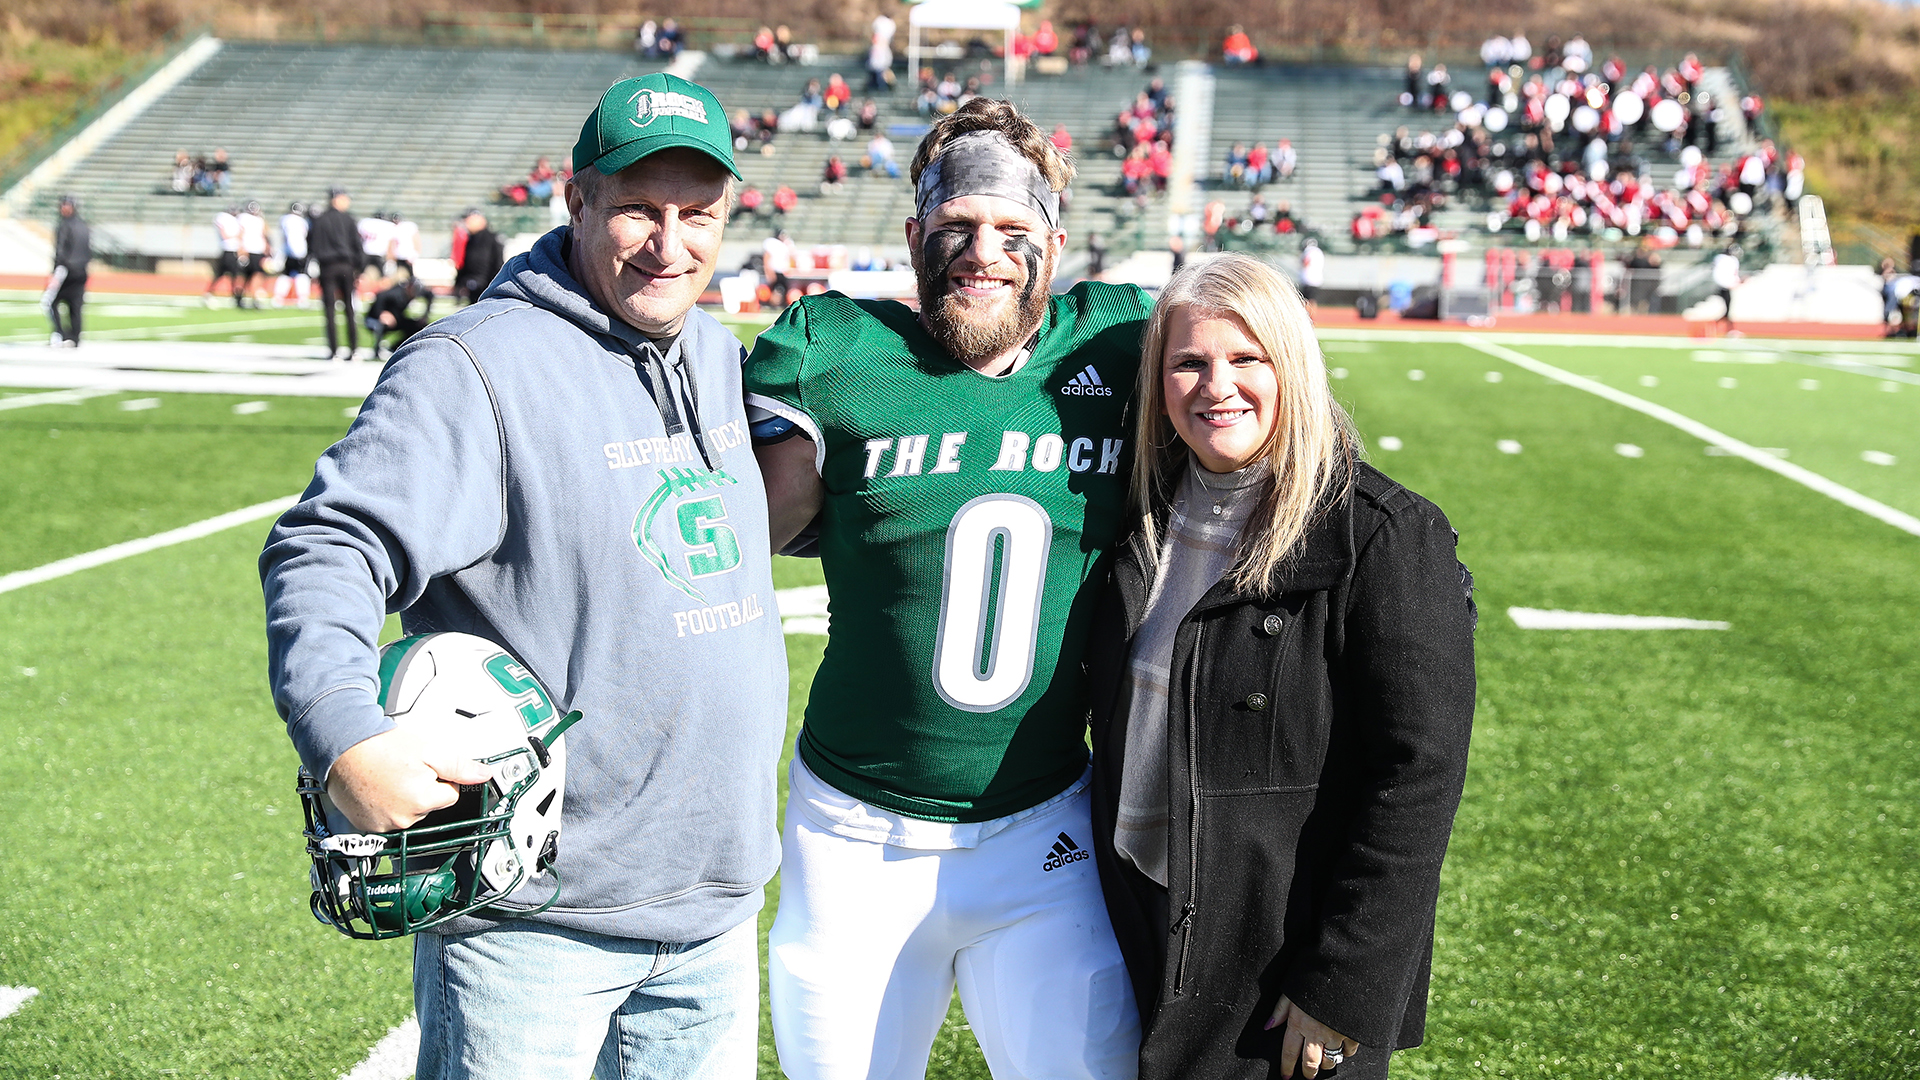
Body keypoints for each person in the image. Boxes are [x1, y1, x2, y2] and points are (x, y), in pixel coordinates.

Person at [261, 72, 782, 1080]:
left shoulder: (713, 353)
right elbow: (326, 547)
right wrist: (343, 739)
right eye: (637, 209)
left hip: (713, 921)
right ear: (577, 199)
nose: (670, 244)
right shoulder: (472, 368)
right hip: (536, 928)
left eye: (698, 214)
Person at [745, 97, 1146, 1080]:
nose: (984, 254)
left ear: (1055, 243)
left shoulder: (1120, 345)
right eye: (958, 228)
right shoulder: (834, 350)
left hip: (1046, 837)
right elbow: (741, 532)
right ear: (917, 233)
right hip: (852, 838)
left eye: (1013, 232)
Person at [1086, 254, 1475, 1080]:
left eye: (1246, 358)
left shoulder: (1382, 534)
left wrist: (1343, 987)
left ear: (1290, 366)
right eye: (1188, 362)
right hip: (1135, 921)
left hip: (1269, 959)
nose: (1215, 385)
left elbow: (1418, 776)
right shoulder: (1139, 521)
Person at [309, 186, 363, 360]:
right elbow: (357, 245)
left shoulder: (320, 220)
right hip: (346, 266)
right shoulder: (349, 219)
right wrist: (359, 268)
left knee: (329, 309)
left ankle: (333, 350)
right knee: (349, 307)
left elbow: (312, 245)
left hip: (327, 267)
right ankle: (354, 348)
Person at [361, 268, 434, 360]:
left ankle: (396, 347)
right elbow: (380, 297)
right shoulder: (396, 293)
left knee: (418, 325)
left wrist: (425, 316)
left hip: (396, 318)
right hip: (375, 318)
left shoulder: (417, 292)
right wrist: (382, 313)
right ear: (409, 287)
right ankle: (376, 351)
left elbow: (430, 295)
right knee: (382, 325)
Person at [46, 195, 90, 347]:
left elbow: (61, 250)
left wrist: (55, 271)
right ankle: (74, 337)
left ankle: (61, 334)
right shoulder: (84, 225)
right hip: (82, 270)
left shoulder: (64, 225)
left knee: (49, 301)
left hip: (66, 269)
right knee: (75, 305)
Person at [456, 209, 504, 304]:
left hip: (487, 285)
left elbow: (497, 263)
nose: (466, 224)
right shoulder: (470, 240)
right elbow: (466, 263)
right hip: (471, 284)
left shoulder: (492, 239)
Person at [206, 204, 245, 307]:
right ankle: (235, 297)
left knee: (231, 275)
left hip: (232, 251)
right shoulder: (223, 218)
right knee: (231, 275)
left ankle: (234, 297)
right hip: (228, 251)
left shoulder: (233, 220)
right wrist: (238, 235)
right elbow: (225, 235)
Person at [274, 202, 312, 307]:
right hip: (300, 251)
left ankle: (279, 298)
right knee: (302, 274)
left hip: (288, 251)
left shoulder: (285, 219)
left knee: (286, 274)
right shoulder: (302, 221)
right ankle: (302, 299)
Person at [238, 200, 271, 308]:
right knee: (253, 275)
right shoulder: (255, 219)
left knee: (253, 275)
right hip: (252, 250)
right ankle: (250, 297)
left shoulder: (244, 218)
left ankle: (247, 296)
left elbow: (264, 234)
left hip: (253, 250)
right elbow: (265, 234)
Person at [1298, 235, 1324, 306]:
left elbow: (1306, 262)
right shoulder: (1319, 252)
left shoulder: (1308, 251)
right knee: (1312, 299)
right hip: (1317, 279)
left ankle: (1308, 315)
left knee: (1306, 300)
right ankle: (1312, 315)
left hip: (1308, 279)